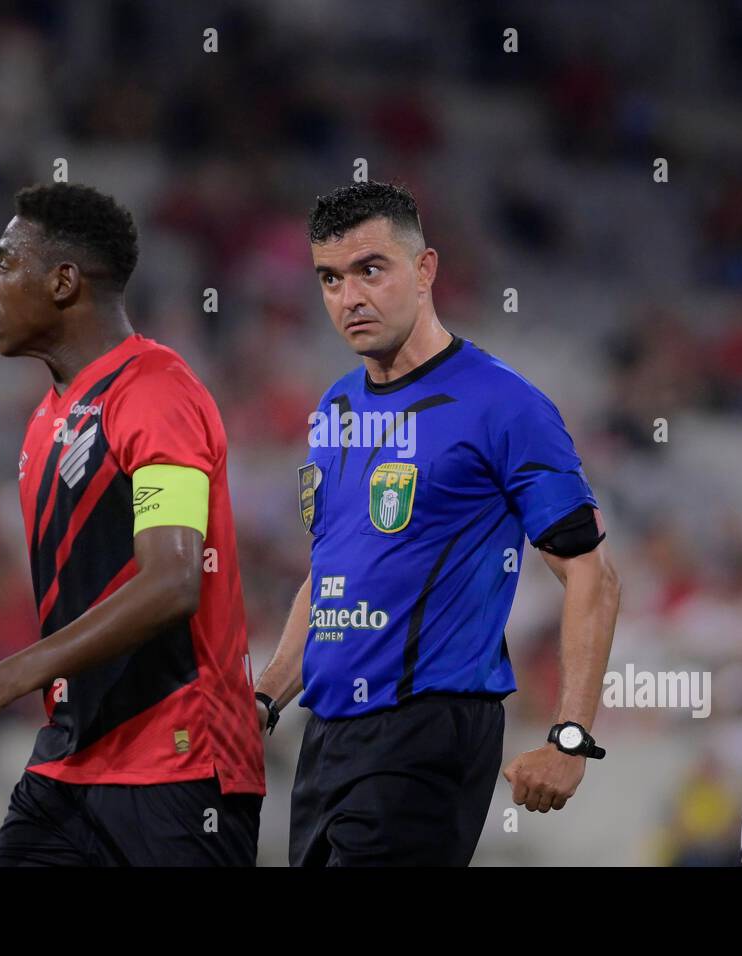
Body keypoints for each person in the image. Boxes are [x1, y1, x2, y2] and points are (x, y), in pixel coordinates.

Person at [0, 183, 264, 865]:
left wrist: (7, 678)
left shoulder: (157, 392)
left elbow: (174, 581)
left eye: (6, 264)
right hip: (69, 766)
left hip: (178, 768)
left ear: (63, 282)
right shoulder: (45, 420)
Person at [255, 181, 621, 866]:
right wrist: (266, 696)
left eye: (371, 270)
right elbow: (332, 572)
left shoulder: (504, 404)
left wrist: (571, 737)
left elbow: (591, 575)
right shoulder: (335, 407)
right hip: (326, 736)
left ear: (424, 271)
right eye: (329, 279)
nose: (349, 298)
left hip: (428, 730)